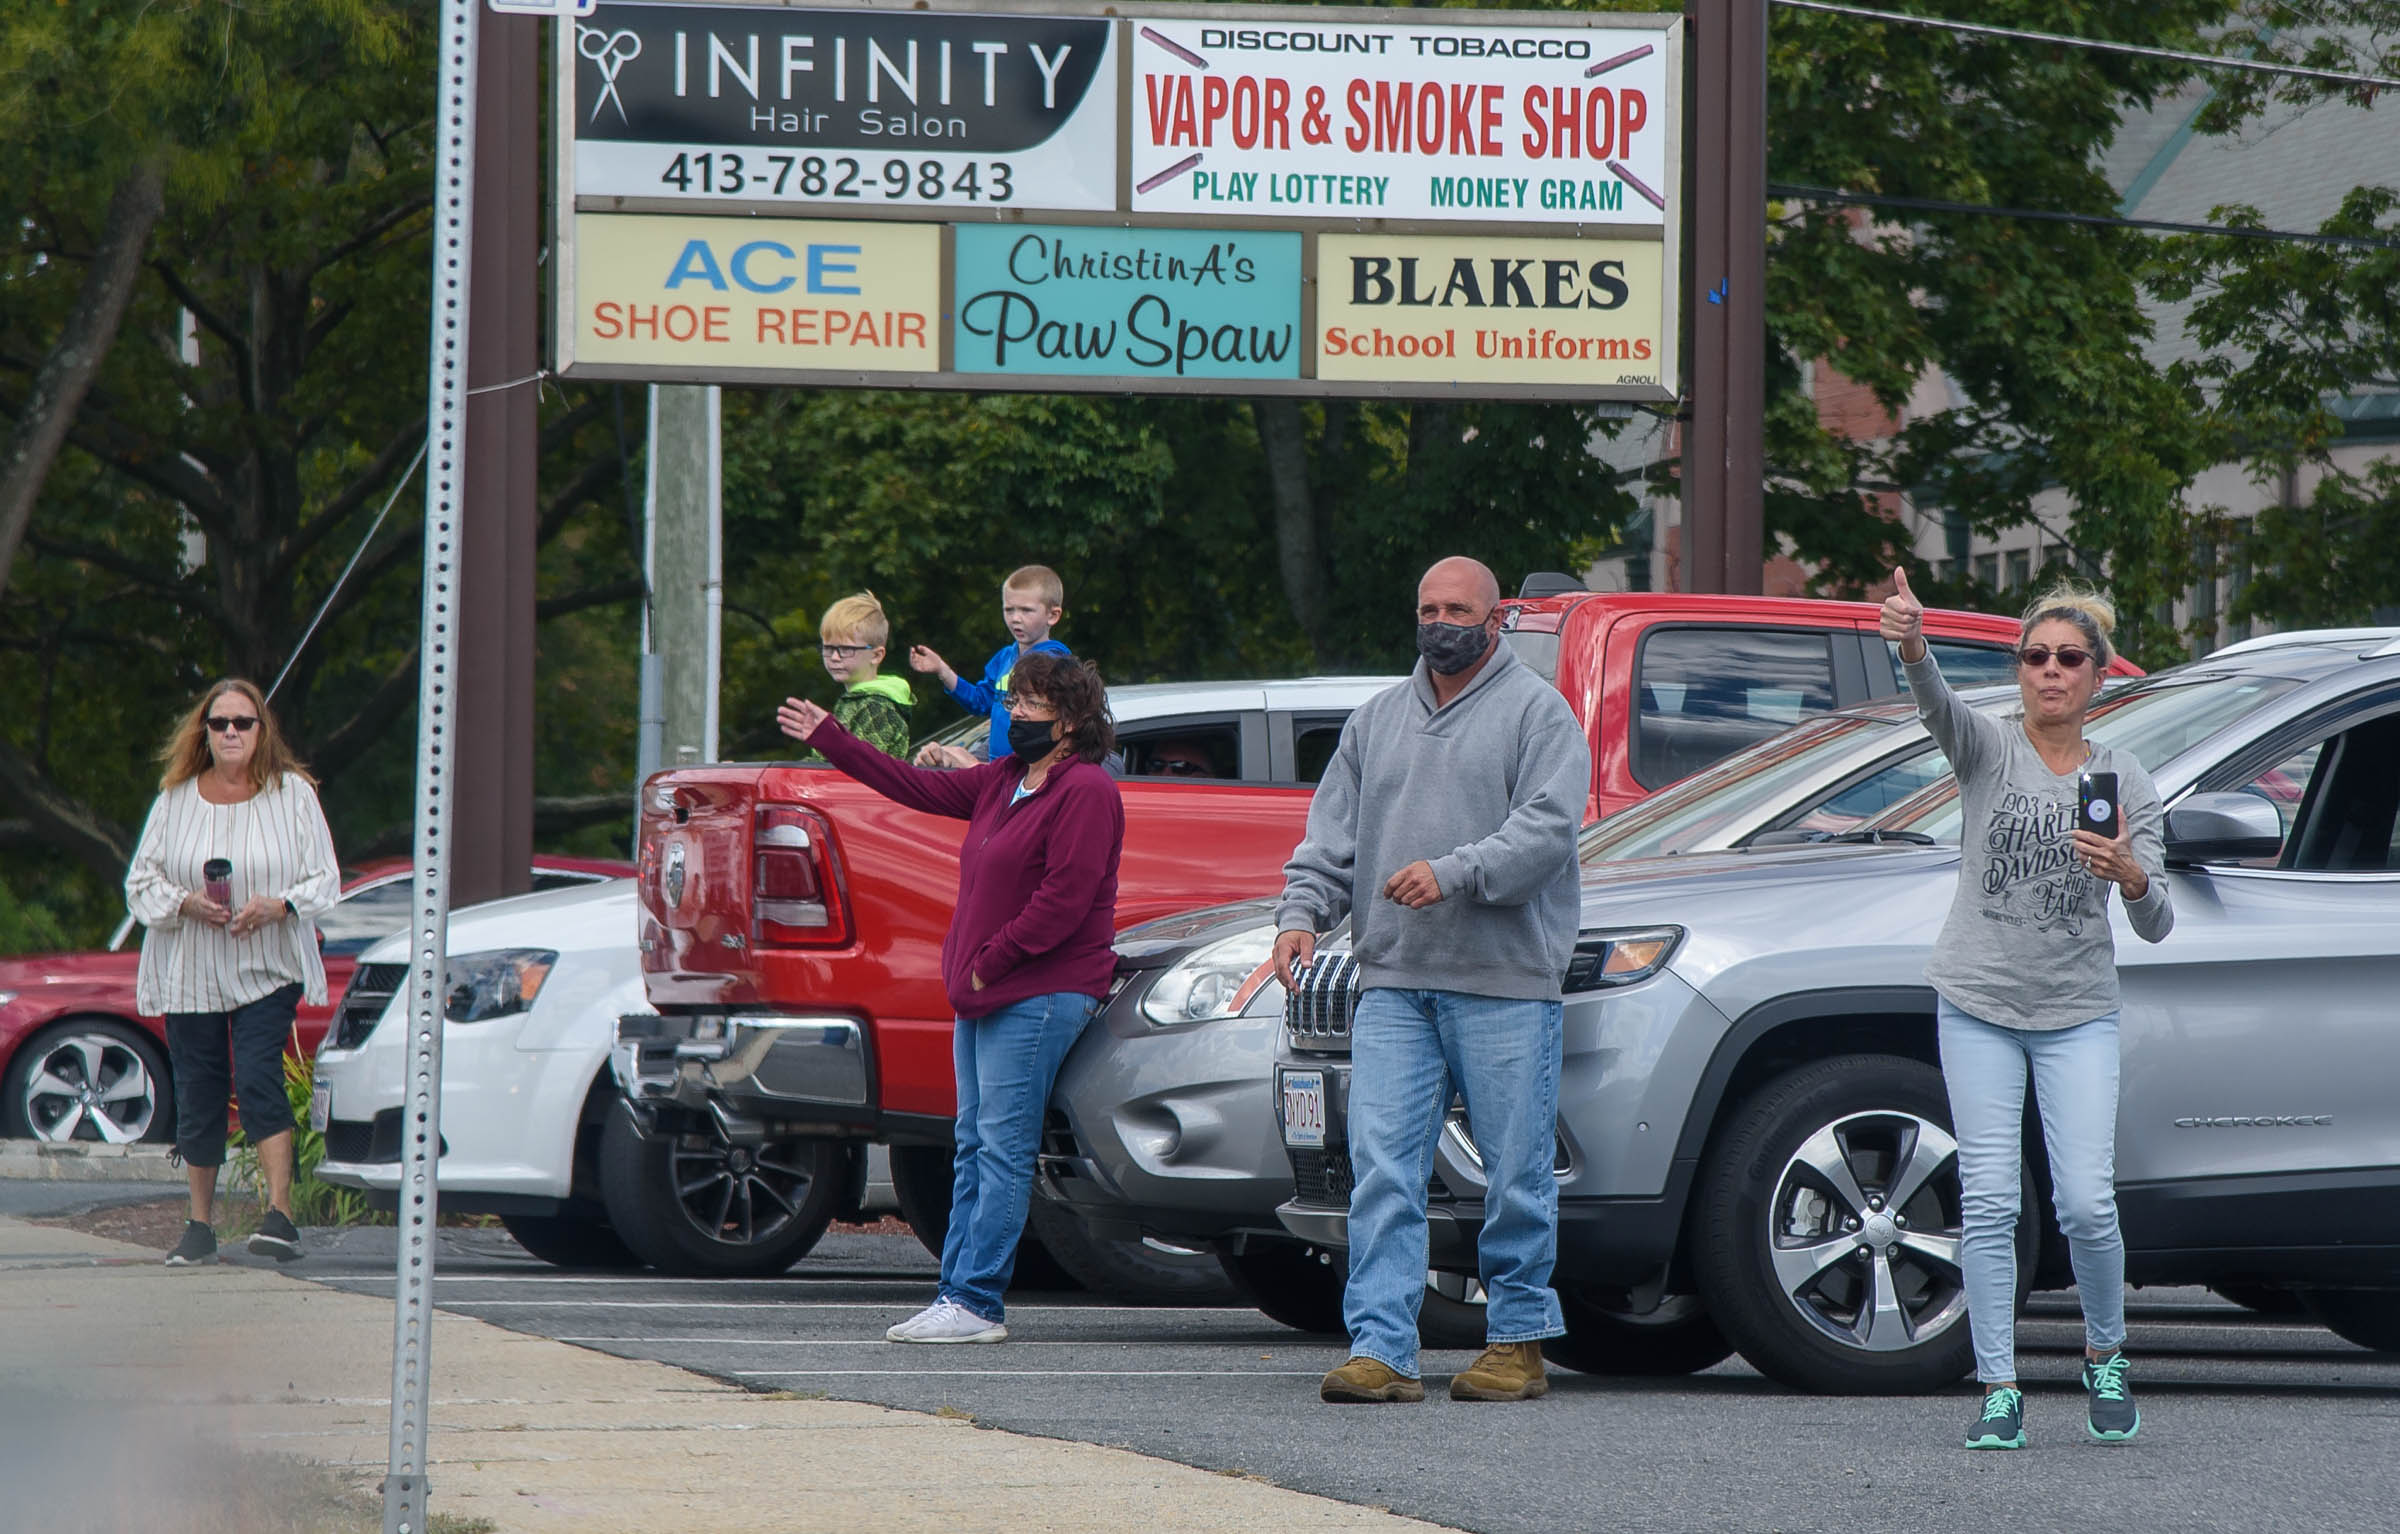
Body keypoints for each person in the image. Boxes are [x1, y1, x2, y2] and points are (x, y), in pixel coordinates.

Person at [1271, 556, 1590, 1405]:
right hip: (1394, 984)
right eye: (1428, 607)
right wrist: (1299, 914)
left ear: (1496, 622)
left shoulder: (1538, 713)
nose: (1440, 621)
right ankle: (1383, 1349)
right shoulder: (1375, 720)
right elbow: (1329, 841)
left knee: (1514, 1171)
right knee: (1382, 1168)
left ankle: (1518, 1341)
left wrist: (1454, 872)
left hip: (1504, 981)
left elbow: (1549, 832)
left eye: (1458, 609)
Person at [1881, 568, 2172, 1450]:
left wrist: (2130, 875)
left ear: (2098, 674)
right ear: (2019, 670)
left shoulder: (2128, 780)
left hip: (2078, 1011)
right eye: (2036, 657)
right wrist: (1912, 643)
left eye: (2070, 659)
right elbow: (1932, 701)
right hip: (1977, 1002)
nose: (2051, 671)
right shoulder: (1987, 749)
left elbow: (2156, 923)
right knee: (1993, 1200)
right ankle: (1999, 1385)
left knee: (2086, 1203)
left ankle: (2106, 1355)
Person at [776, 651, 1122, 1343]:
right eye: (1014, 702)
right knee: (972, 1144)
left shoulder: (1085, 791)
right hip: (987, 994)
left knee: (1000, 1147)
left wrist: (990, 963)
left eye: (1031, 705)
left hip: (1038, 993)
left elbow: (1063, 900)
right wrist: (832, 739)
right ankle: (956, 1297)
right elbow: (909, 785)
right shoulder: (1001, 780)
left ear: (1073, 719)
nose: (1015, 714)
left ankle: (976, 1303)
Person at [124, 679, 340, 1267]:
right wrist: (185, 903)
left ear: (262, 730)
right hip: (192, 968)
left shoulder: (292, 795)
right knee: (199, 1089)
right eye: (219, 724)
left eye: (243, 723)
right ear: (205, 733)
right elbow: (140, 884)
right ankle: (199, 1225)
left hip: (267, 963)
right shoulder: (175, 800)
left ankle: (280, 1215)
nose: (231, 734)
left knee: (258, 1072)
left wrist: (280, 905)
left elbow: (325, 877)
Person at [909, 564, 1071, 766]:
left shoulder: (1057, 662)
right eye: (1008, 610)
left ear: (1053, 615)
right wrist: (942, 670)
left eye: (1026, 610)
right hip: (997, 769)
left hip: (1031, 772)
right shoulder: (1004, 657)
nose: (1015, 618)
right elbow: (980, 702)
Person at [809, 591, 914, 760]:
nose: (835, 657)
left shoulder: (877, 707)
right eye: (828, 648)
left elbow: (858, 767)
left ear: (876, 655)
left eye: (846, 649)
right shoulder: (857, 701)